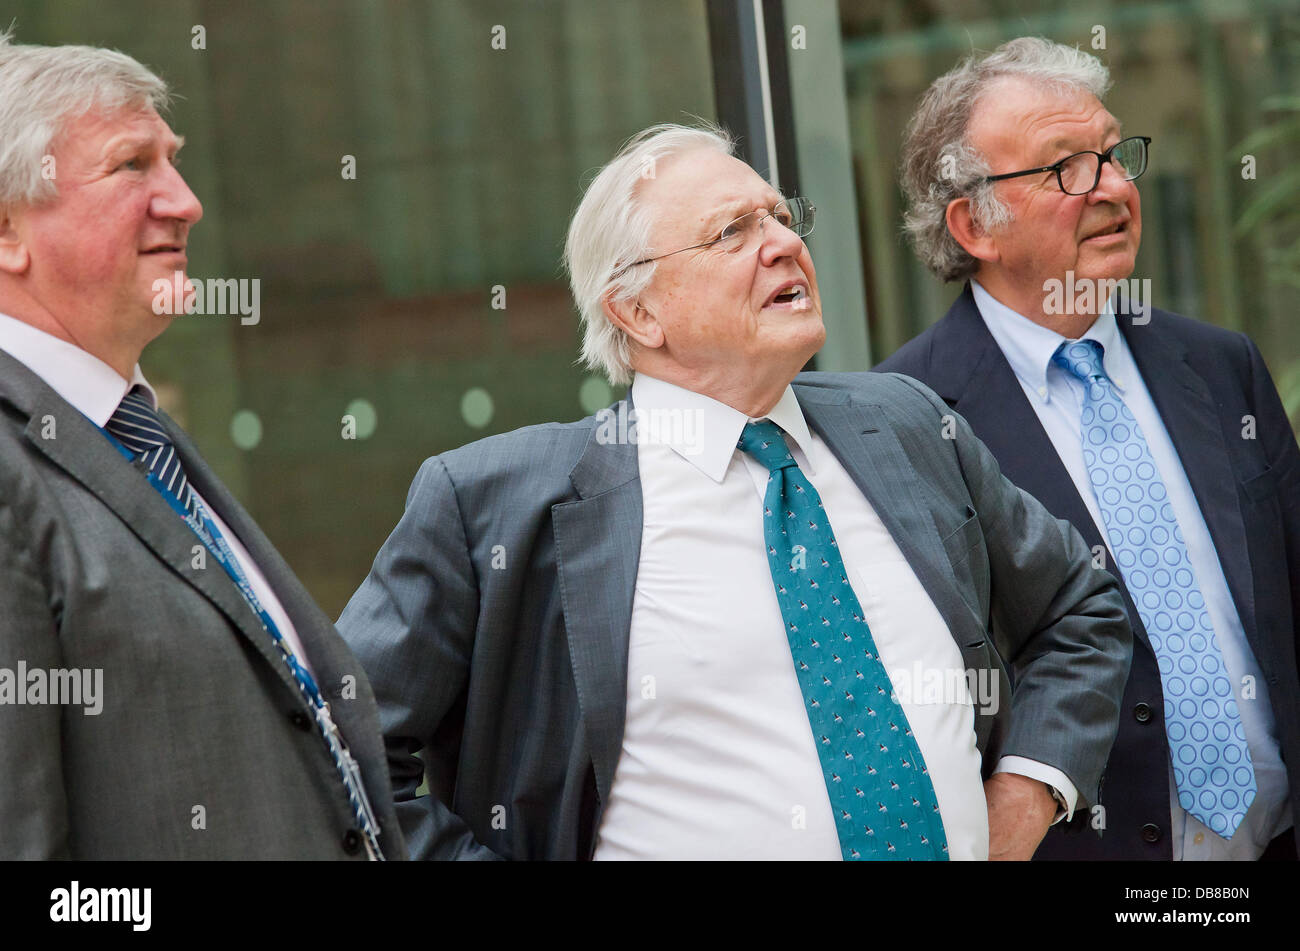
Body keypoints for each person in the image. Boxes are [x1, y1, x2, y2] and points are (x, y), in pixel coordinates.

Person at [338, 121, 1131, 861]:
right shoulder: (493, 503)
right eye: (733, 232)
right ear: (638, 311)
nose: (785, 243)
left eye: (782, 218)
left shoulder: (908, 424)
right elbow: (341, 751)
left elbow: (1078, 607)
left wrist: (1027, 791)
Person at [876, 37, 1300, 860]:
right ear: (974, 223)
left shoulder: (1218, 365)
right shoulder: (909, 420)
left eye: (1113, 154)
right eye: (1066, 168)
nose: (1112, 187)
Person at [0, 30, 403, 860]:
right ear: (7, 231)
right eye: (131, 165)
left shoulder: (135, 439)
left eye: (173, 161)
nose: (185, 201)